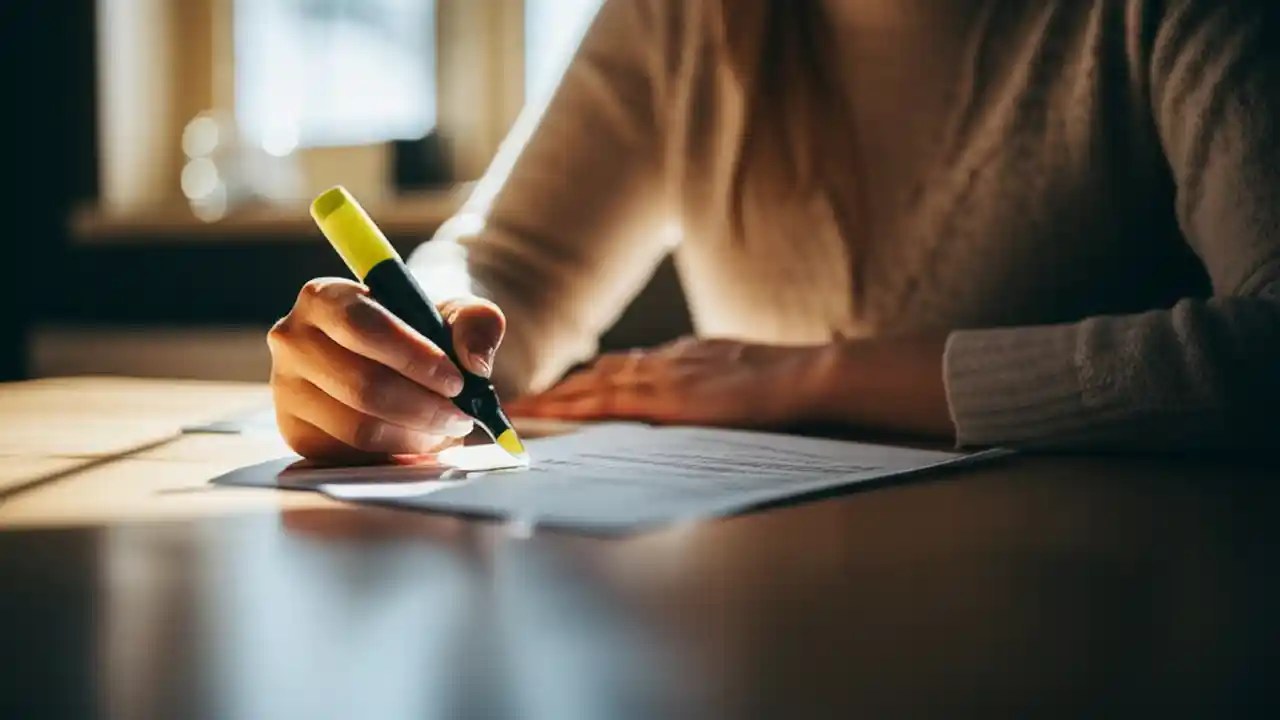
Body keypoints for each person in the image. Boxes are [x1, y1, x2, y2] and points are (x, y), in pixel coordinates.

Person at [268, 0, 1280, 461]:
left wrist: (811, 375)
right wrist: (412, 339)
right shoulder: (686, 18)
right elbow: (513, 259)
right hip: (764, 612)